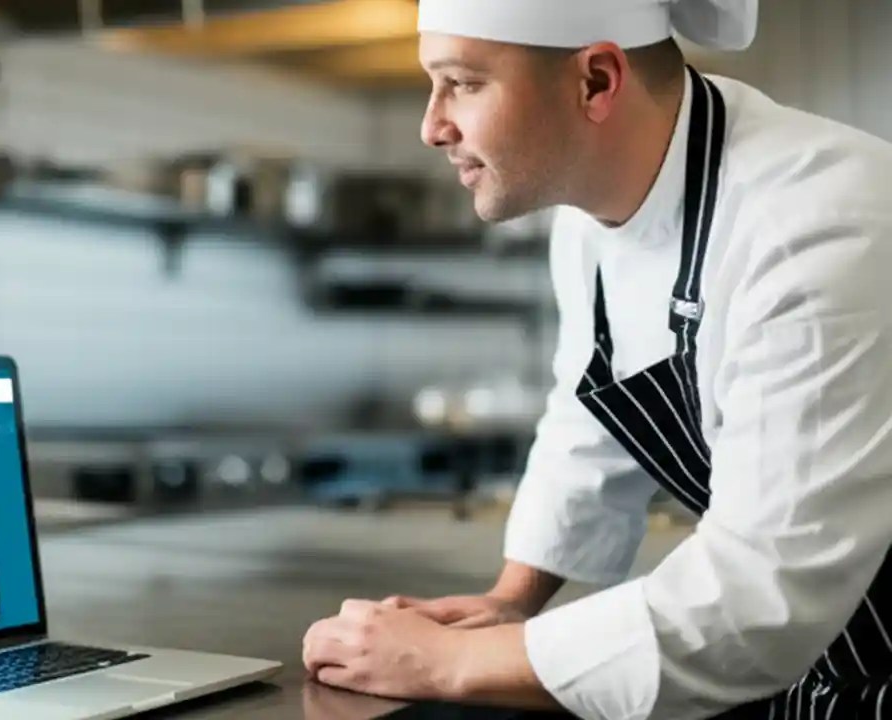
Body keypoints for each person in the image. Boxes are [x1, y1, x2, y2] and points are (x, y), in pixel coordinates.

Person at [301, 0, 892, 718]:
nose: (432, 126)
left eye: (463, 82)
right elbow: (587, 421)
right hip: (820, 663)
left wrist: (449, 662)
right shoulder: (588, 220)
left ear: (596, 82)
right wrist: (510, 602)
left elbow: (760, 598)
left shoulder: (813, 227)